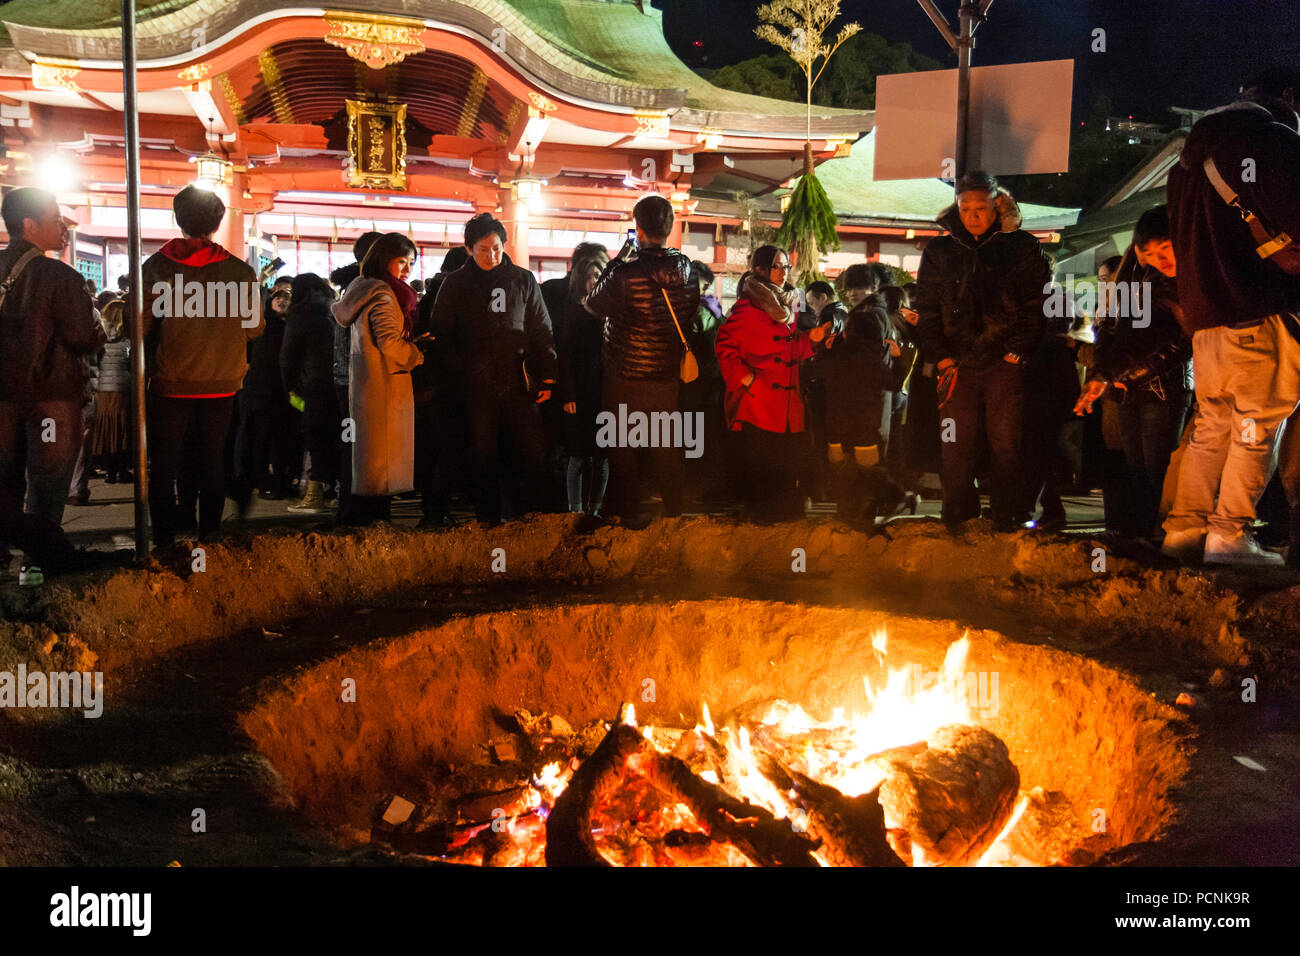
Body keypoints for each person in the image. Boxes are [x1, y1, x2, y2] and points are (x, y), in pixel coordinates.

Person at [1160, 68, 1300, 566]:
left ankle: (1183, 530)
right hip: (1258, 309)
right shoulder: (1271, 142)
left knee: (1211, 426)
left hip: (1206, 319)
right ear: (1287, 97)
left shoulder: (1186, 160)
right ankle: (1230, 535)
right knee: (1254, 427)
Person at [915, 171, 1051, 531]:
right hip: (956, 362)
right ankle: (958, 509)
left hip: (1004, 362)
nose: (973, 215)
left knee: (1007, 441)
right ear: (956, 209)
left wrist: (1016, 353)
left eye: (981, 207)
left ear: (997, 207)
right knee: (955, 442)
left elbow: (1037, 304)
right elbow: (926, 308)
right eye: (965, 208)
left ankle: (1010, 512)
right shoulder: (940, 251)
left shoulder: (1020, 246)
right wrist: (940, 355)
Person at [140, 185, 263, 549]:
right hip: (222, 381)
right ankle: (209, 535)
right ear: (218, 221)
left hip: (171, 380)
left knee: (164, 463)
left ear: (177, 219)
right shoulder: (240, 272)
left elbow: (139, 326)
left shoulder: (155, 268)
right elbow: (255, 327)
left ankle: (163, 538)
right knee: (210, 459)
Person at [0, 187, 104, 585]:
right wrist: (97, 330)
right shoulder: (60, 276)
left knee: (5, 477)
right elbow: (82, 336)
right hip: (52, 400)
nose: (62, 227)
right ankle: (38, 561)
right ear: (30, 225)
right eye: (54, 218)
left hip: (4, 397)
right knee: (48, 480)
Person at [431, 213, 556, 526]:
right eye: (484, 249)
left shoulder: (523, 280)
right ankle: (488, 520)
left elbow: (542, 329)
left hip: (518, 381)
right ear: (469, 249)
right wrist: (458, 371)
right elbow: (441, 334)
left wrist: (548, 373)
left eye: (497, 248)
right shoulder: (455, 283)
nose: (492, 256)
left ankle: (532, 517)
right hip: (475, 385)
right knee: (483, 454)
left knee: (531, 450)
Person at [1075, 210, 1193, 541]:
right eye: (1147, 252)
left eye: (1164, 249)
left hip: (1162, 386)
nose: (1156, 259)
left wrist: (1130, 375)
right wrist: (1104, 373)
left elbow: (1179, 343)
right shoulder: (1132, 282)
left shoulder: (1180, 283)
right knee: (1136, 467)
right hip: (1125, 385)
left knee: (1159, 467)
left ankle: (1161, 533)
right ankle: (1142, 533)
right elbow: (1114, 331)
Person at [583, 195, 700, 527]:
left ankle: (630, 514)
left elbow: (593, 304)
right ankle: (676, 513)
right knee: (664, 446)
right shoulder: (687, 270)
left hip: (625, 374)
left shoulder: (626, 273)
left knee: (622, 446)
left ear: (638, 227)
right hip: (665, 375)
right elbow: (689, 314)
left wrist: (617, 261)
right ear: (669, 227)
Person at [715, 245, 831, 522]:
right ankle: (762, 526)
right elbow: (723, 345)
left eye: (786, 267)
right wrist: (747, 378)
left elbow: (791, 350)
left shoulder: (790, 303)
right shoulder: (747, 306)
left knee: (790, 465)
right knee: (764, 466)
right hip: (760, 402)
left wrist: (811, 340)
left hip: (790, 403)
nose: (784, 272)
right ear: (760, 269)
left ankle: (786, 523)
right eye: (778, 266)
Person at [331, 233, 426, 522]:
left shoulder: (361, 288)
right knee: (379, 464)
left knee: (362, 459)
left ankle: (355, 520)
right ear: (384, 260)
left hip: (363, 384)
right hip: (382, 385)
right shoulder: (386, 295)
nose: (407, 269)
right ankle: (374, 527)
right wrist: (417, 354)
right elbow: (390, 343)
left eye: (410, 263)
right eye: (401, 261)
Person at [821, 263, 907, 528]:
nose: (852, 292)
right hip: (869, 402)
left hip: (866, 403)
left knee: (861, 464)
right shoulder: (871, 313)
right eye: (849, 287)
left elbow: (869, 365)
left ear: (873, 287)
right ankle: (865, 512)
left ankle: (864, 513)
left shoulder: (870, 316)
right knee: (861, 462)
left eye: (858, 286)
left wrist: (833, 349)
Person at [413, 246, 470, 528]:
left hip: (428, 386)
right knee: (449, 449)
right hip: (449, 385)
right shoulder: (457, 295)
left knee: (433, 449)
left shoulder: (429, 296)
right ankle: (436, 511)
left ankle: (432, 509)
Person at [330, 231, 382, 523]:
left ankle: (350, 511)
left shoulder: (350, 285)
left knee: (353, 446)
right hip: (360, 378)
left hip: (345, 377)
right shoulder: (368, 287)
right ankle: (359, 513)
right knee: (362, 447)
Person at [280, 273, 340, 515]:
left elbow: (288, 354)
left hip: (315, 383)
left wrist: (290, 387)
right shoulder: (334, 307)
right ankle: (334, 492)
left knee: (316, 439)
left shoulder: (301, 313)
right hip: (341, 381)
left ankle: (314, 496)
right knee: (338, 439)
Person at [557, 248, 611, 516]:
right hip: (579, 391)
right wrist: (568, 395)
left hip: (605, 391)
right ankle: (575, 511)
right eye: (589, 277)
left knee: (602, 457)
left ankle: (595, 510)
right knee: (578, 456)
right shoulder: (574, 311)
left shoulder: (612, 312)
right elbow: (564, 356)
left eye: (598, 276)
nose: (593, 281)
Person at [234, 284, 295, 504]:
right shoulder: (265, 328)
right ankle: (261, 479)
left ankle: (270, 479)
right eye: (279, 299)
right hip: (261, 390)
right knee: (262, 437)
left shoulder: (278, 327)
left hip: (272, 391)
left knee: (273, 438)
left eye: (286, 301)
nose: (282, 304)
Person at [91, 299, 133, 485]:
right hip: (122, 389)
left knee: (107, 430)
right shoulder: (128, 339)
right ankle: (123, 470)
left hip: (103, 390)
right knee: (122, 430)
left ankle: (110, 471)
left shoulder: (99, 337)